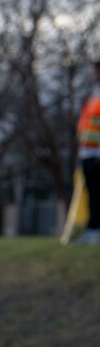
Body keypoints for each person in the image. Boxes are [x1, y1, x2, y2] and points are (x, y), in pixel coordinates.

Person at [75, 58, 100, 244]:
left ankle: (95, 230)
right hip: (88, 152)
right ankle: (92, 229)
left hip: (97, 153)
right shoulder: (94, 95)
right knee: (93, 192)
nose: (93, 74)